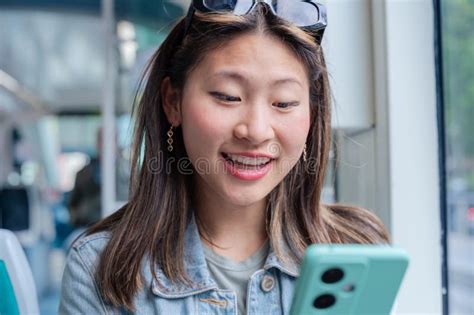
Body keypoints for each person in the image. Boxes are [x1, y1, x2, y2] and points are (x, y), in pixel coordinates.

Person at [59, 1, 390, 314]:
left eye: (284, 103)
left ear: (313, 115)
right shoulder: (100, 268)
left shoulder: (357, 249)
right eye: (227, 97)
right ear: (173, 102)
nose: (256, 131)